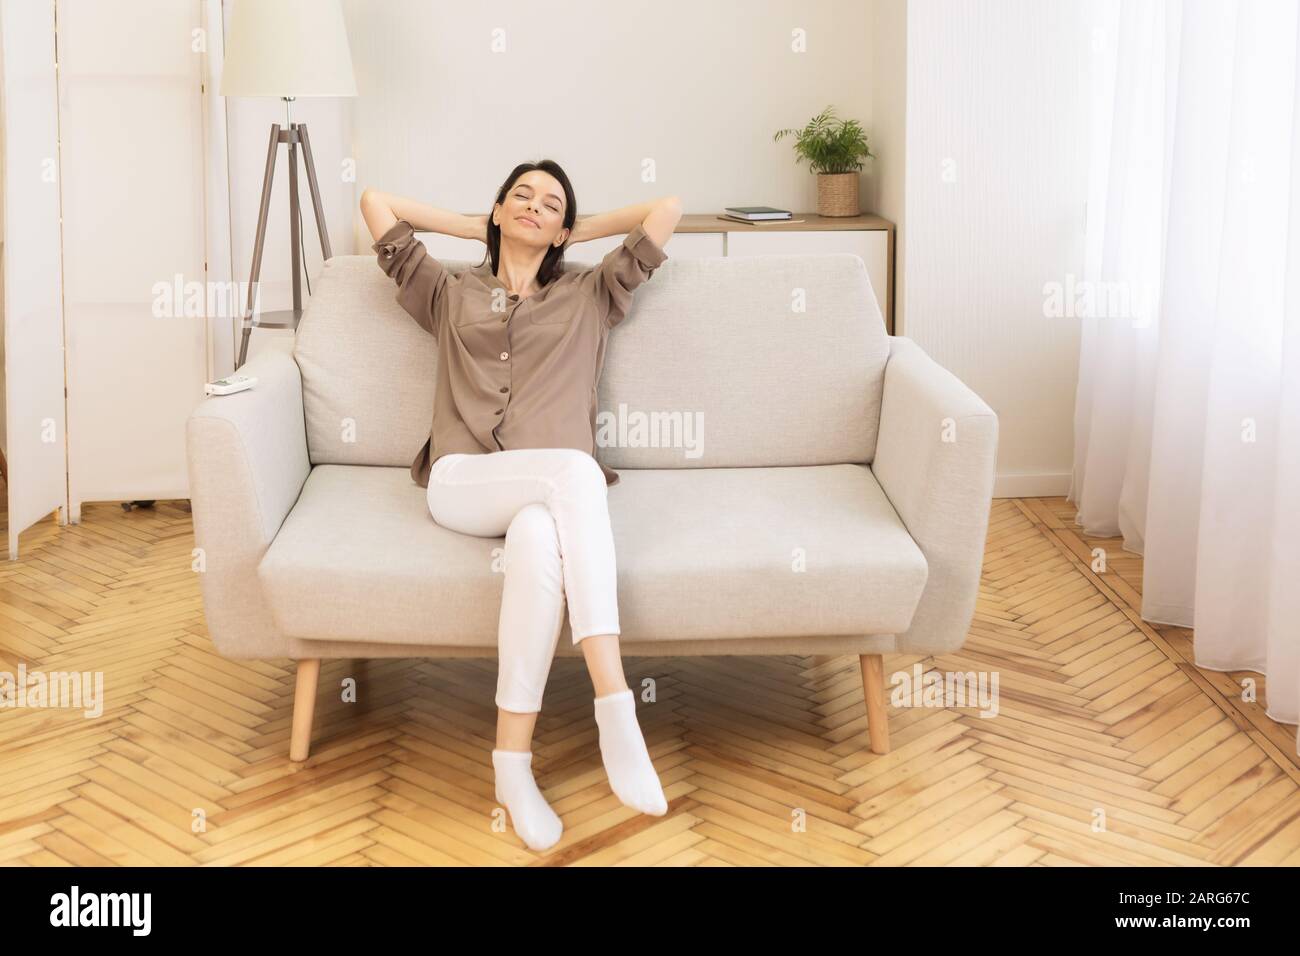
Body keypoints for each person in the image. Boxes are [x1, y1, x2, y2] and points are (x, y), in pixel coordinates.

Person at [360, 161, 683, 851]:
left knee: (541, 534)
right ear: (499, 210)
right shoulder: (448, 293)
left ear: (566, 226)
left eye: (551, 203)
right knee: (576, 474)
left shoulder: (592, 294)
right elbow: (376, 202)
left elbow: (667, 208)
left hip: (544, 499)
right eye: (521, 197)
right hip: (462, 481)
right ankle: (616, 709)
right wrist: (488, 223)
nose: (534, 207)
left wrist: (569, 234)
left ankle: (511, 766)